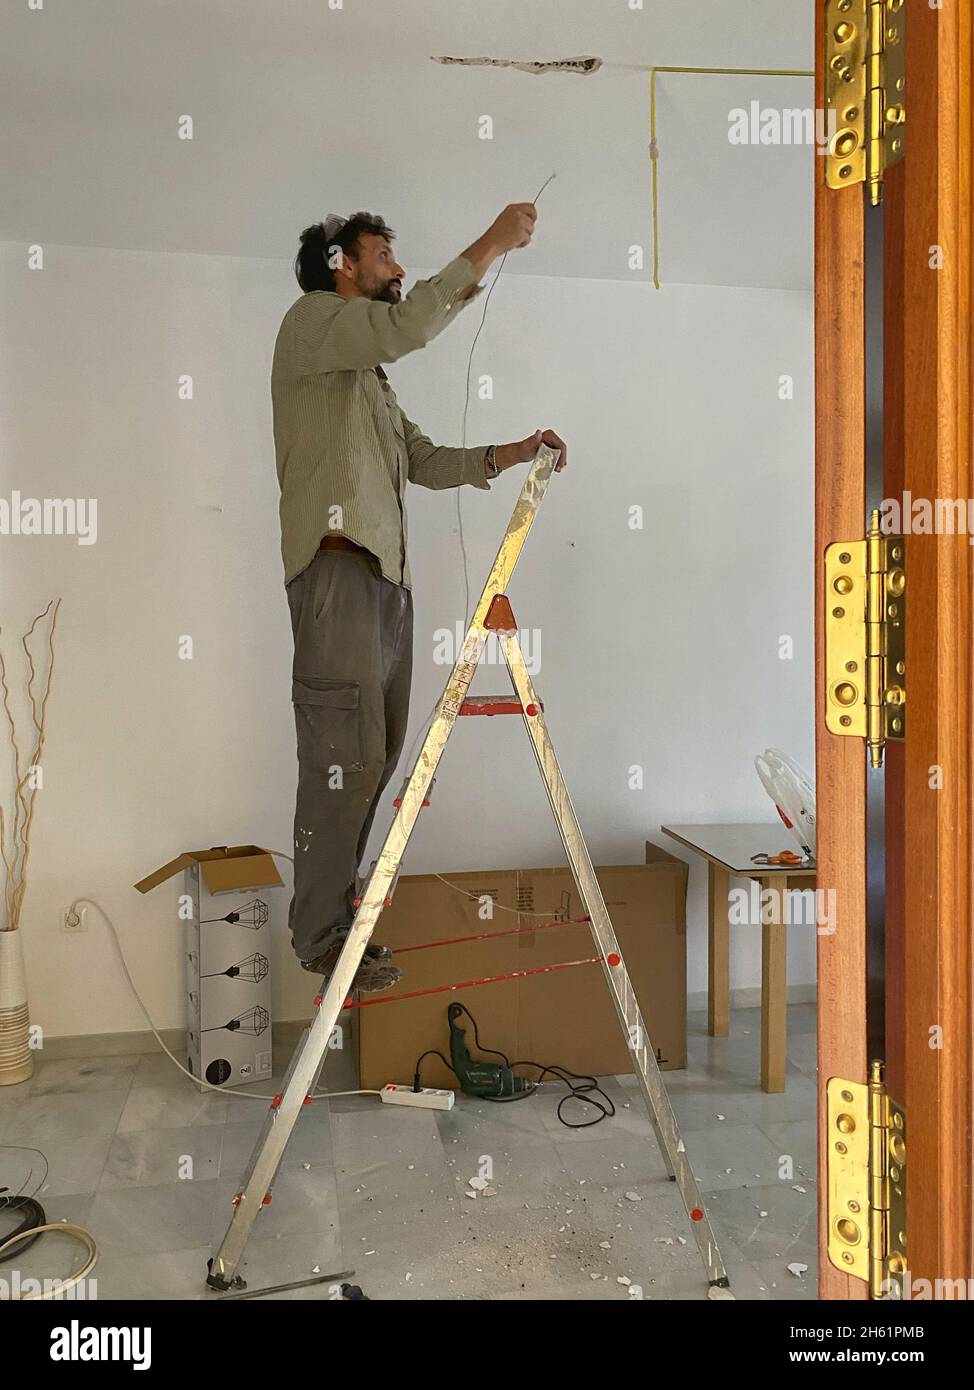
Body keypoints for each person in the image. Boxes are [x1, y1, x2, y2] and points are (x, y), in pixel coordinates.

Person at [271, 204, 567, 989]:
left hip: (386, 588)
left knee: (374, 756)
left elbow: (425, 460)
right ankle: (319, 934)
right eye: (383, 257)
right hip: (338, 571)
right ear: (341, 264)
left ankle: (339, 918)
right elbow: (406, 327)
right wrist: (494, 240)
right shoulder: (313, 326)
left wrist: (515, 452)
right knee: (344, 754)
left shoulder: (365, 379)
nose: (398, 270)